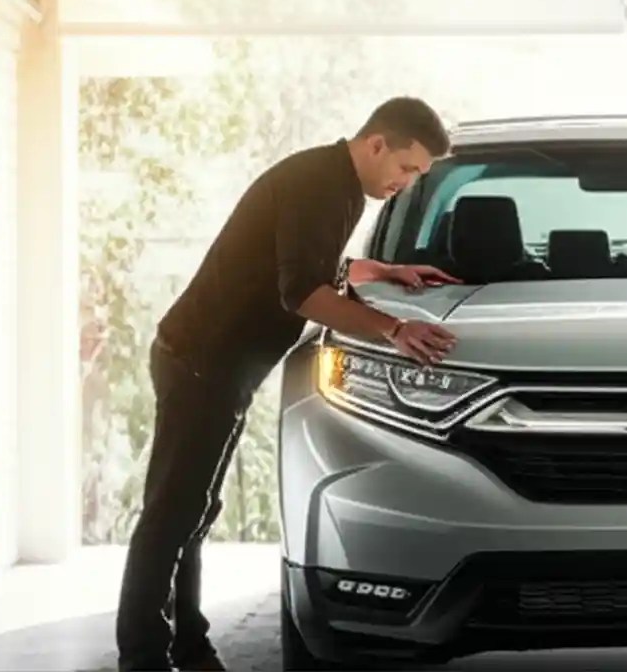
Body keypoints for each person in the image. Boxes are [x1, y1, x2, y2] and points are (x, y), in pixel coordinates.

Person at [115, 97, 460, 671]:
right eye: (408, 168)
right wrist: (393, 328)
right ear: (378, 144)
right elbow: (301, 291)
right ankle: (144, 657)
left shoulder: (339, 184)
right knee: (171, 515)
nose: (407, 182)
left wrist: (384, 273)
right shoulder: (320, 185)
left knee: (193, 511)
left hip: (222, 368)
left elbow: (312, 263)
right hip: (201, 361)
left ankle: (188, 644)